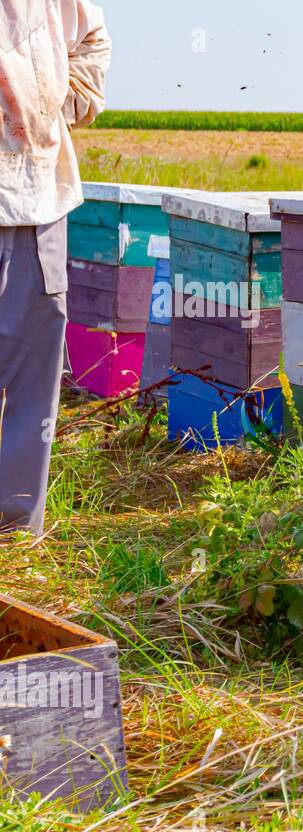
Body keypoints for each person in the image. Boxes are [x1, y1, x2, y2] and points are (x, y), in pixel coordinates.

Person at [0, 0, 111, 534]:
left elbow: (92, 39)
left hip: (36, 194)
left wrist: (52, 104)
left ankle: (17, 528)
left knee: (32, 368)